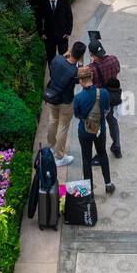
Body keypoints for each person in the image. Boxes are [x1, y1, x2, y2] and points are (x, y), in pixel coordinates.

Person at [73, 66, 114, 194]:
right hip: (100, 130)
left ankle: (88, 191)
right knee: (102, 154)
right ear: (91, 77)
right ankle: (108, 184)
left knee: (86, 159)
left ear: (80, 81)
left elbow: (77, 115)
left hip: (84, 132)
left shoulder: (78, 98)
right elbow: (107, 110)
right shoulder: (103, 93)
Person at [42, 41, 83, 167]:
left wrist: (66, 54)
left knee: (52, 120)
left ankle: (50, 146)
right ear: (81, 55)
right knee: (63, 126)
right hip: (65, 101)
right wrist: (80, 63)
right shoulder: (74, 71)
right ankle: (59, 156)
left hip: (52, 98)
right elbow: (81, 78)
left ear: (70, 50)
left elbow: (58, 62)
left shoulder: (57, 59)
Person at [88, 39, 123, 158]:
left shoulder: (91, 68)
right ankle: (117, 147)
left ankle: (100, 153)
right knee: (113, 122)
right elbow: (117, 70)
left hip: (99, 99)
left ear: (91, 55)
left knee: (100, 126)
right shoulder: (113, 59)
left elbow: (88, 82)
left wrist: (91, 64)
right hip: (112, 96)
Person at [39, 0, 73, 65]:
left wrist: (68, 32)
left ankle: (65, 77)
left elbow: (69, 17)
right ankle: (53, 77)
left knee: (65, 59)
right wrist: (41, 33)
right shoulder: (43, 2)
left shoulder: (64, 0)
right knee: (51, 59)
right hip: (49, 36)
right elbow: (39, 18)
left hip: (63, 35)